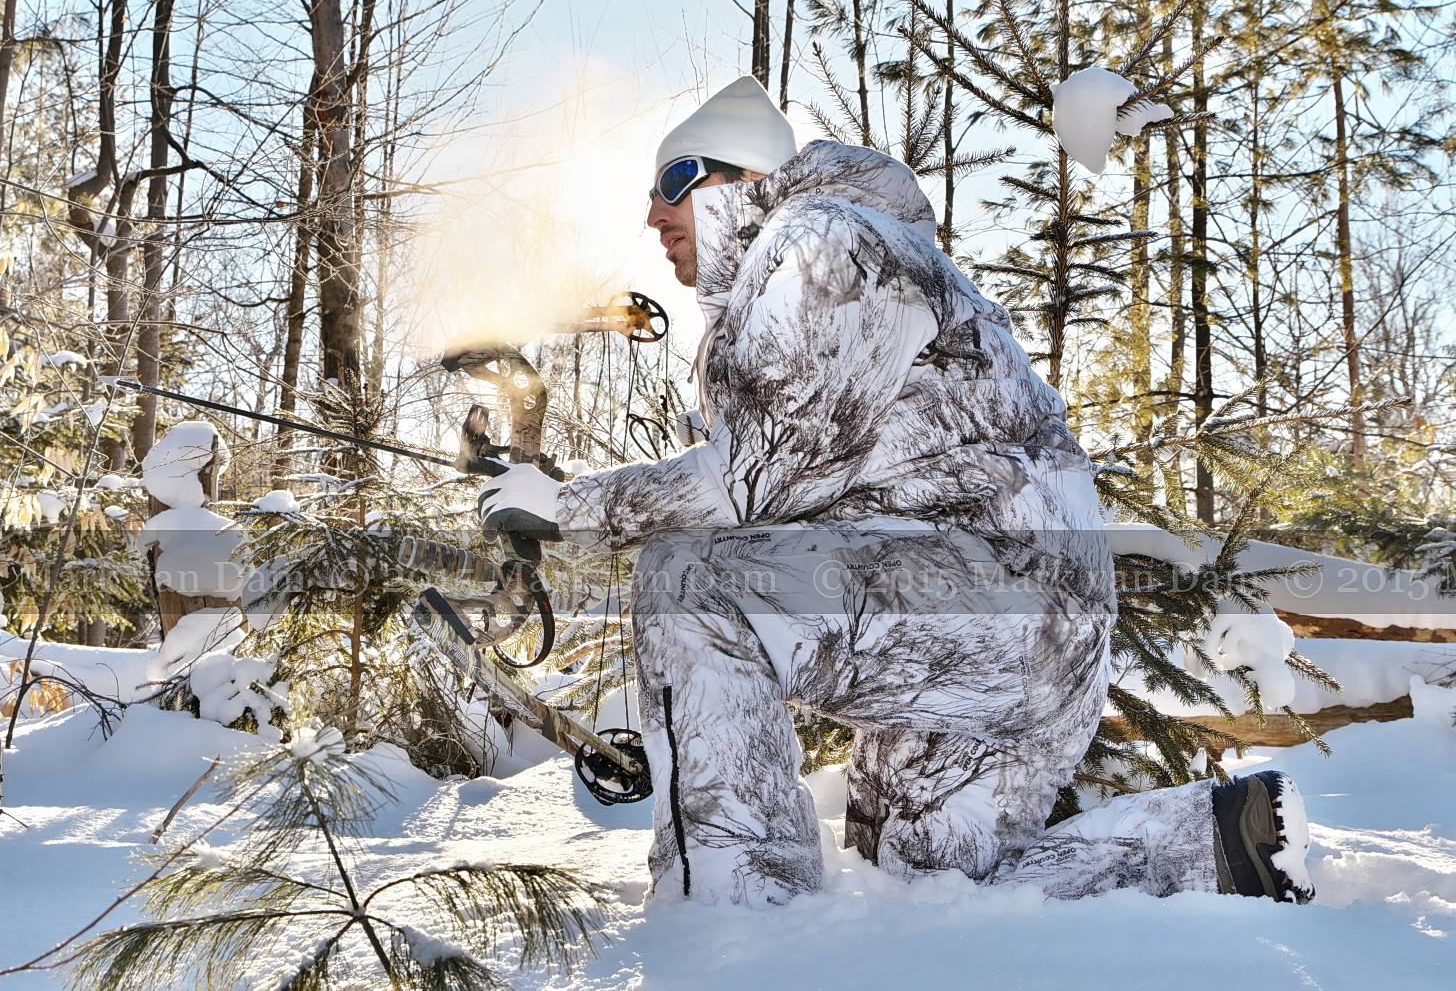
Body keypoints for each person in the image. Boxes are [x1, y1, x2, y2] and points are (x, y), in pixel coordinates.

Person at [479, 76, 1314, 907]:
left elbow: (754, 480)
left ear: (741, 177)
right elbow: (797, 482)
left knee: (693, 584)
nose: (656, 218)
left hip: (992, 597)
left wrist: (567, 507)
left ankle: (739, 919)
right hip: (1003, 627)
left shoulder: (828, 241)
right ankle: (1219, 844)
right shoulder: (809, 272)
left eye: (674, 185)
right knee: (928, 895)